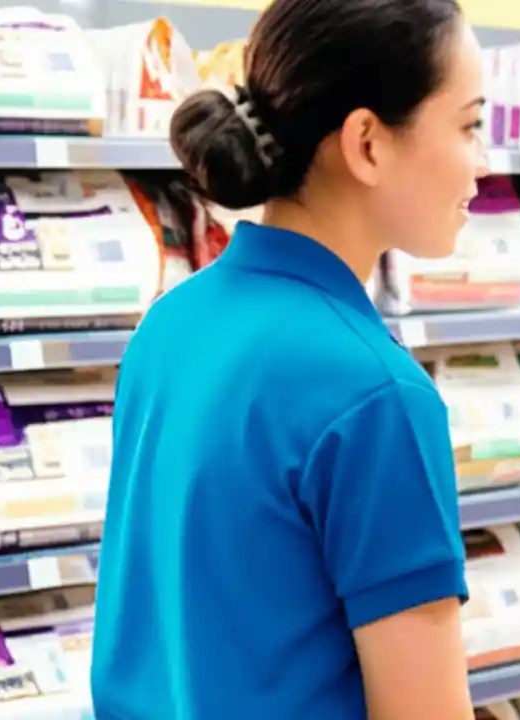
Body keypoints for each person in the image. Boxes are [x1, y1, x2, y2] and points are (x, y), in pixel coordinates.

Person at [91, 1, 487, 718]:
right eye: (468, 125)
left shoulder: (170, 326)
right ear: (367, 142)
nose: (482, 162)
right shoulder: (374, 394)